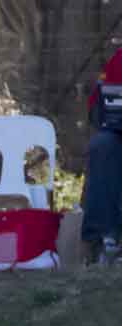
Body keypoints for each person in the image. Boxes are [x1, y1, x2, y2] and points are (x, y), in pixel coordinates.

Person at [82, 46, 122, 265]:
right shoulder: (120, 59)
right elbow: (97, 105)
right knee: (101, 145)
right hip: (117, 132)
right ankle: (104, 240)